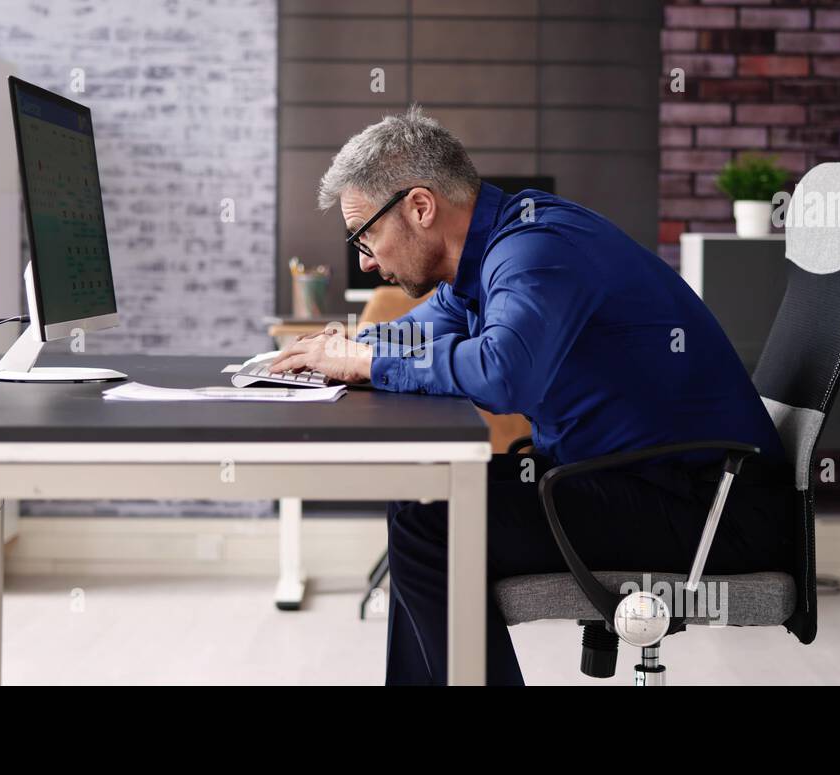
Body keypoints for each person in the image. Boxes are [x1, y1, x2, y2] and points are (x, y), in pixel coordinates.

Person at [270, 106, 795, 685]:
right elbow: (417, 332)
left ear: (420, 207)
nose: (365, 260)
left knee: (432, 525)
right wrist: (336, 349)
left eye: (365, 234)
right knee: (425, 499)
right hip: (636, 479)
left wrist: (366, 361)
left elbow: (504, 374)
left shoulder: (535, 250)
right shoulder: (489, 253)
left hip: (711, 510)